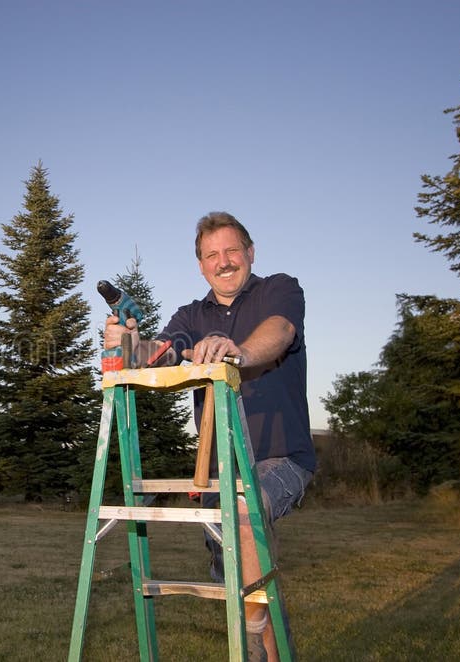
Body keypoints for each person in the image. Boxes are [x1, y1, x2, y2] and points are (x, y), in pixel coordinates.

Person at [103, 211, 315, 662]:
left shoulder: (279, 289)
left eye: (232, 250)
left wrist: (237, 351)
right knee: (240, 581)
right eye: (211, 255)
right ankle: (261, 639)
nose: (223, 262)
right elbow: (153, 357)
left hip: (281, 457)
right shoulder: (191, 317)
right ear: (200, 265)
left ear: (250, 253)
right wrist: (127, 341)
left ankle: (254, 642)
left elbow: (279, 333)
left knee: (244, 518)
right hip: (220, 471)